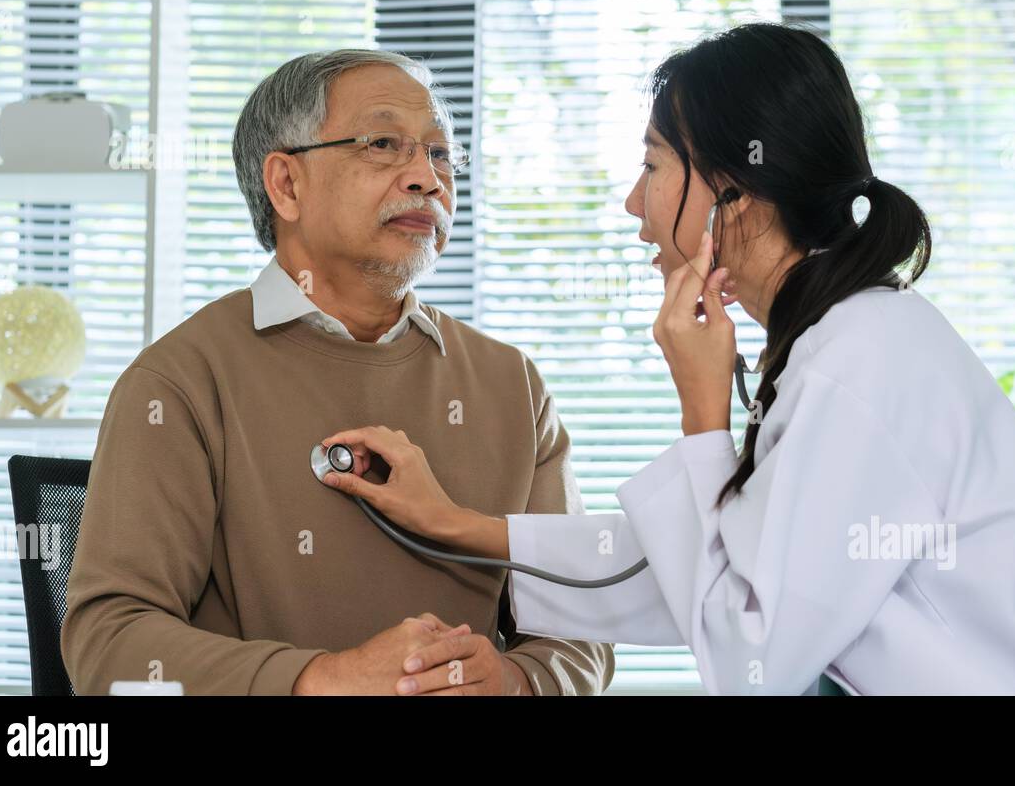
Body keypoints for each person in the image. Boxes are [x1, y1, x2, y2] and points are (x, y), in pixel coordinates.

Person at [316, 23, 1015, 696]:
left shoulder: (861, 363)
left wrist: (702, 414)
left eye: (651, 166)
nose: (632, 202)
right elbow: (704, 571)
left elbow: (750, 657)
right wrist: (457, 525)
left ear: (732, 193)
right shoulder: (843, 341)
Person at [61, 49, 613, 696]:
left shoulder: (512, 384)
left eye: (440, 153)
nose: (427, 178)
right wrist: (326, 680)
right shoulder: (179, 382)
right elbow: (110, 643)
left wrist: (513, 679)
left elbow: (581, 631)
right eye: (383, 144)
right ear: (287, 185)